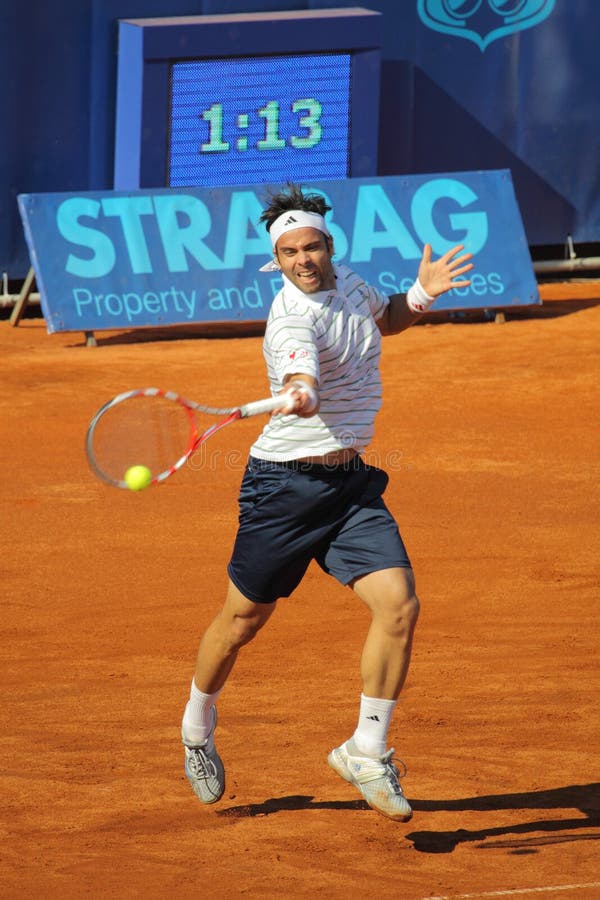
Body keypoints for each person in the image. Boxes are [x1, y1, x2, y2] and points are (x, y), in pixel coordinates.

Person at [180, 183, 473, 821]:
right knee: (241, 623)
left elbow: (385, 317)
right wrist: (302, 389)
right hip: (283, 490)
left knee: (399, 604)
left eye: (312, 247)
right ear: (276, 261)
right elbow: (299, 372)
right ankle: (197, 726)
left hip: (348, 486)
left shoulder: (354, 285)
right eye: (290, 253)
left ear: (329, 246)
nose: (304, 260)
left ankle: (366, 749)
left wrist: (420, 296)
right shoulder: (290, 317)